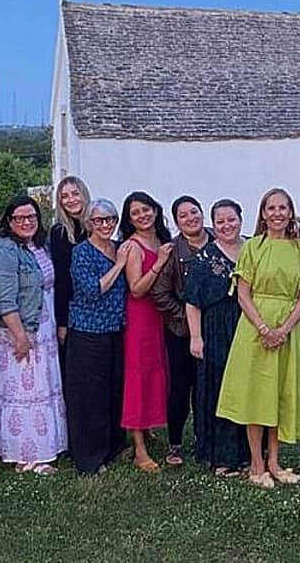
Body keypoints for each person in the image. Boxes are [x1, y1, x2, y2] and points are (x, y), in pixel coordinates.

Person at [216, 188, 300, 489]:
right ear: (263, 213)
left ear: (291, 212)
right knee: (256, 395)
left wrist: (283, 330)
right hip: (254, 329)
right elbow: (243, 293)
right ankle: (256, 464)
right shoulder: (253, 247)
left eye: (283, 208)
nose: (277, 213)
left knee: (280, 393)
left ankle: (274, 461)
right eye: (271, 208)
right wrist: (264, 328)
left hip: (289, 329)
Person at [0, 195, 69, 474]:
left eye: (31, 217)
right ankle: (24, 455)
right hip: (19, 329)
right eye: (19, 218)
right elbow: (4, 298)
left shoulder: (38, 245)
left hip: (43, 326)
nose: (26, 222)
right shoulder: (4, 249)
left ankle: (46, 447)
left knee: (42, 388)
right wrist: (20, 336)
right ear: (9, 221)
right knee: (23, 392)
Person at [183, 199, 251, 476]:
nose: (226, 226)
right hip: (215, 330)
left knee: (247, 388)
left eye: (231, 219)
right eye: (220, 221)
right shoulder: (204, 257)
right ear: (213, 224)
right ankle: (222, 456)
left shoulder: (253, 249)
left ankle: (249, 453)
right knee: (220, 390)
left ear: (240, 220)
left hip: (248, 327)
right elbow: (192, 302)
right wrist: (195, 337)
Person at [65, 198, 129, 475]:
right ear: (89, 223)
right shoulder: (82, 252)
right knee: (89, 397)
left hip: (115, 330)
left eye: (110, 219)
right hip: (88, 332)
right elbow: (92, 290)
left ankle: (112, 447)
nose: (105, 225)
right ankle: (88, 457)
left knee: (112, 392)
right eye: (99, 220)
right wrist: (119, 265)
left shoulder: (117, 247)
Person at [151, 195, 213, 467]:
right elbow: (160, 294)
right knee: (180, 388)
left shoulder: (217, 241)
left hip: (215, 330)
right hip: (180, 333)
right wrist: (188, 318)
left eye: (194, 212)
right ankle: (175, 443)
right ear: (177, 222)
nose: (190, 218)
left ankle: (206, 439)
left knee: (208, 387)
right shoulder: (172, 251)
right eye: (183, 215)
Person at [117, 191, 174, 471]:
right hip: (140, 318)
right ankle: (138, 448)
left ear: (155, 209)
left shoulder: (162, 239)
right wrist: (160, 262)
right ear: (129, 220)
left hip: (159, 317)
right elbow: (137, 289)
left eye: (146, 209)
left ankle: (148, 427)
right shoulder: (133, 246)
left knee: (155, 373)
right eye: (135, 213)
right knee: (138, 378)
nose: (142, 215)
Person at [50, 176, 91, 367]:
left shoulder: (98, 226)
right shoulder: (59, 232)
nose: (71, 199)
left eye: (75, 193)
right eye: (64, 196)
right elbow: (62, 280)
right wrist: (62, 322)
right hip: (74, 313)